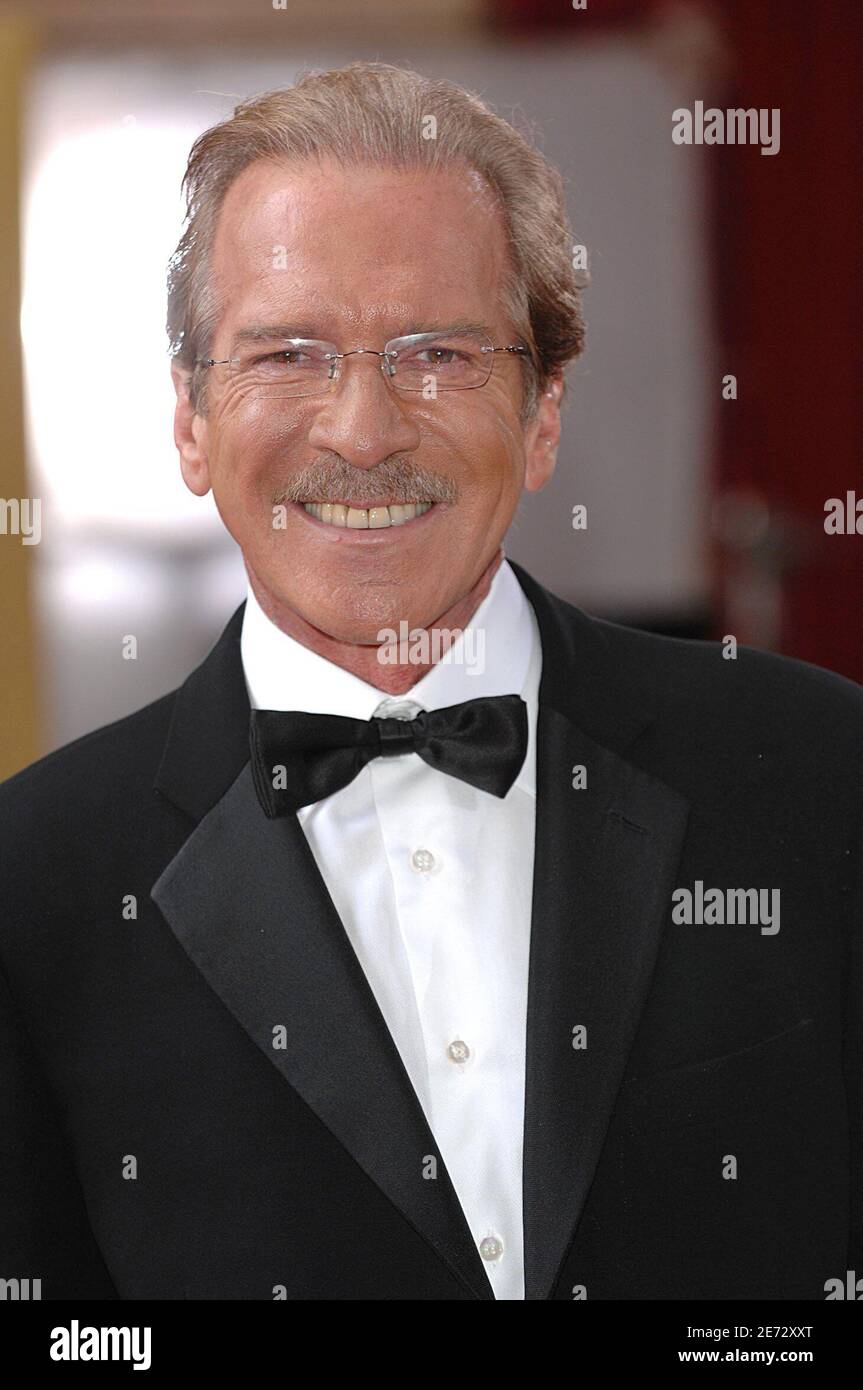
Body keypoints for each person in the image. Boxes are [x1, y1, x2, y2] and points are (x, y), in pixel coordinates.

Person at [1, 61, 861, 1302]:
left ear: (542, 411)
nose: (362, 429)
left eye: (437, 352)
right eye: (287, 352)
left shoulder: (818, 773)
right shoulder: (33, 886)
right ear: (189, 419)